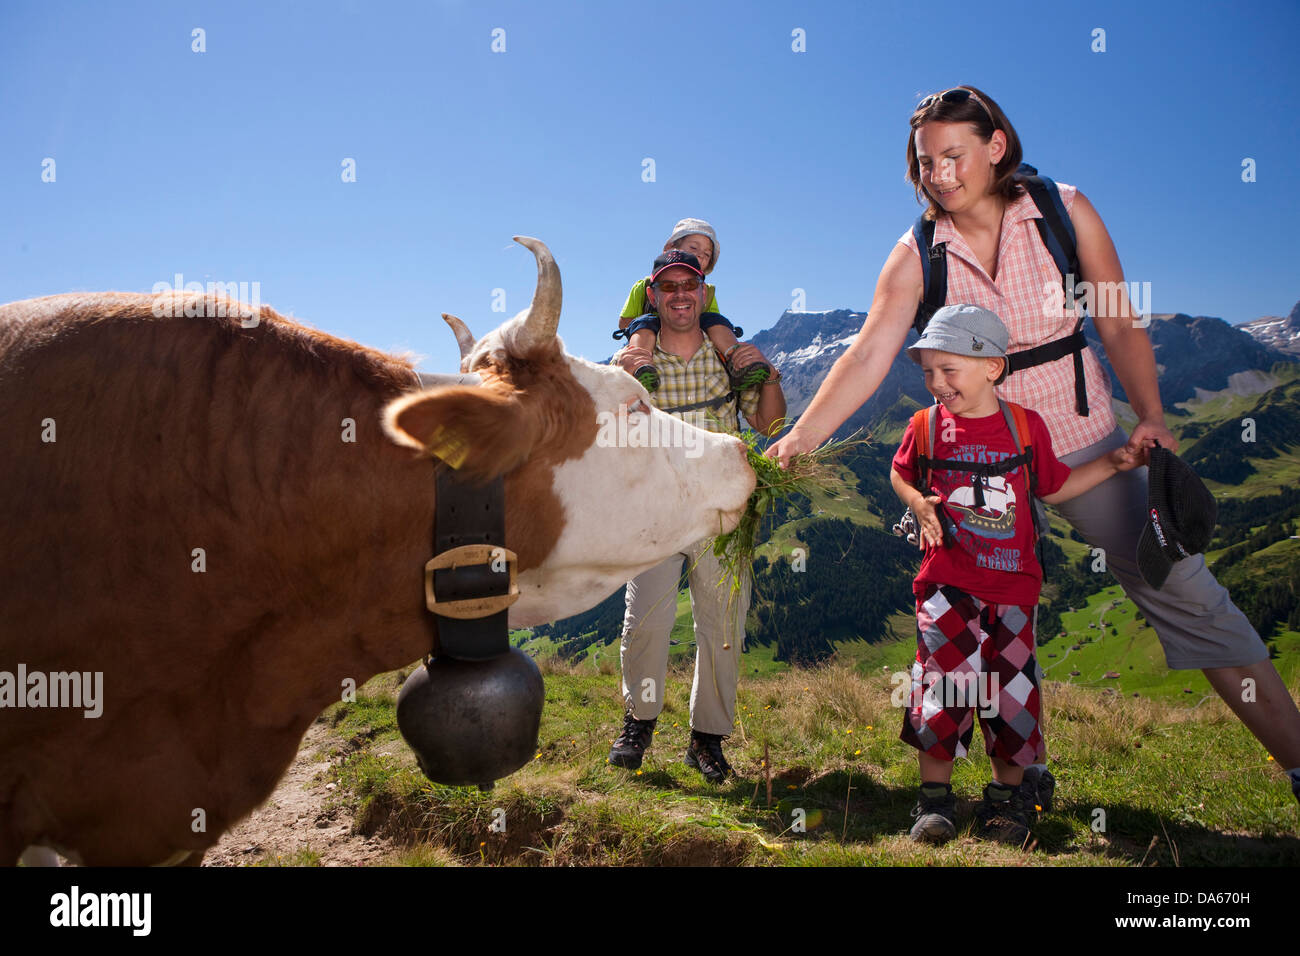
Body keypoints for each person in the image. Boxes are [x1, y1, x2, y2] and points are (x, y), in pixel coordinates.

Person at [767, 84, 1300, 807]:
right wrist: (800, 436)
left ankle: (1296, 763)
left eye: (954, 156)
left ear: (996, 146)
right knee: (983, 617)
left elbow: (1117, 321)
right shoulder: (918, 251)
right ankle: (1018, 775)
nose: (941, 175)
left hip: (1082, 440)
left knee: (1184, 586)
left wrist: (1150, 415)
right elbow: (866, 356)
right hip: (976, 456)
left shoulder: (1062, 211)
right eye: (926, 163)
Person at [891, 304, 1142, 845]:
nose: (937, 383)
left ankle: (1006, 805)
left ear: (992, 367)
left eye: (948, 370)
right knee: (944, 689)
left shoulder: (1026, 427)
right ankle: (933, 804)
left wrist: (1117, 463)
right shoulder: (926, 425)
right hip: (945, 586)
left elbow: (1053, 486)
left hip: (1013, 590)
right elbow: (899, 471)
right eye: (929, 372)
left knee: (1011, 696)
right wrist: (917, 503)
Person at [608, 249, 786, 782]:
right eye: (669, 287)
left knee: (722, 625)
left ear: (704, 293)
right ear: (654, 297)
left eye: (690, 285)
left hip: (719, 511)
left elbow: (770, 424)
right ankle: (638, 722)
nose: (680, 294)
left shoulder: (729, 358)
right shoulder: (633, 363)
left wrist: (769, 372)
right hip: (655, 511)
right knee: (646, 622)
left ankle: (706, 740)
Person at [614, 218, 771, 393]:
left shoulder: (707, 292)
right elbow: (624, 322)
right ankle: (639, 366)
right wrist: (653, 329)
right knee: (643, 324)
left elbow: (715, 326)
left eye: (706, 254)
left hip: (692, 335)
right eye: (694, 248)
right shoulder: (643, 287)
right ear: (671, 248)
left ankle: (738, 361)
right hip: (655, 337)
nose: (700, 256)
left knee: (714, 320)